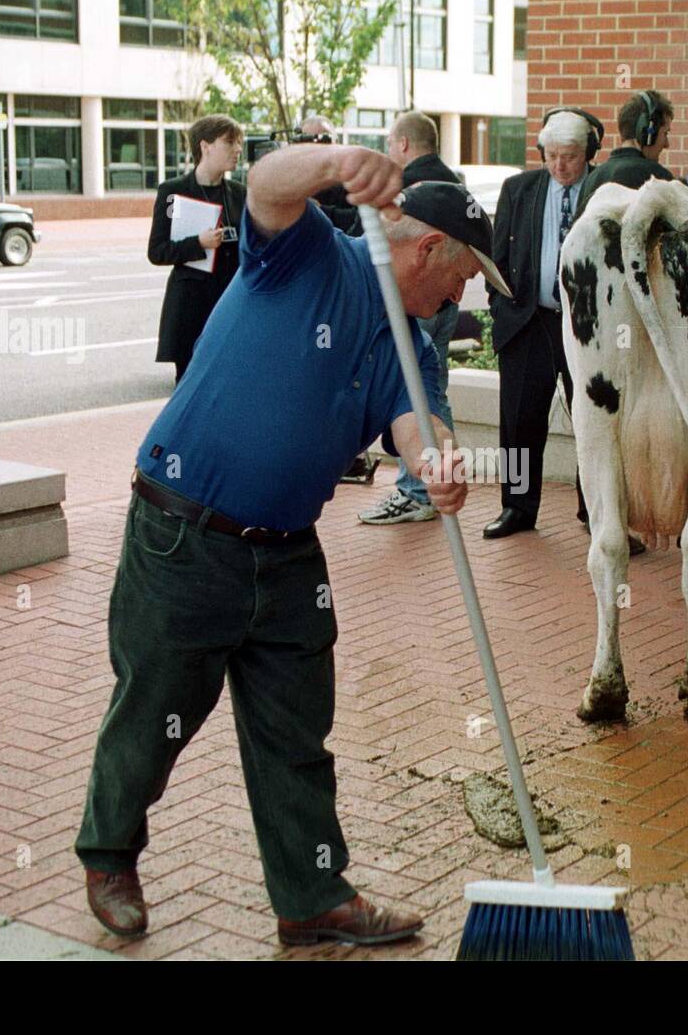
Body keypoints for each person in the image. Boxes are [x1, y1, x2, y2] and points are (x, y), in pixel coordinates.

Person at [74, 141, 513, 946]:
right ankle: (108, 856)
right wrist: (341, 161)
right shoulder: (313, 254)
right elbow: (270, 187)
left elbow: (416, 420)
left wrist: (437, 461)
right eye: (467, 272)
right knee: (155, 711)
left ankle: (312, 896)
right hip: (185, 533)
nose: (468, 289)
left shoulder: (408, 346)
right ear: (427, 250)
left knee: (296, 734)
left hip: (287, 556)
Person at [484, 109, 644, 554]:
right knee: (519, 420)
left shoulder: (607, 192)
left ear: (588, 154)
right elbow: (497, 258)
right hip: (529, 323)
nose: (560, 166)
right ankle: (517, 507)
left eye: (570, 157)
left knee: (595, 423)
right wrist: (503, 309)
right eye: (552, 156)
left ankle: (595, 513)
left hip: (589, 329)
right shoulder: (519, 189)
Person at [359, 111, 465, 525]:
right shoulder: (453, 182)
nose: (389, 152)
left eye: (390, 143)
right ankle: (432, 476)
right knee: (430, 387)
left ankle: (416, 489)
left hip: (417, 301)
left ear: (403, 144)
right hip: (441, 310)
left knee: (416, 384)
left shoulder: (407, 189)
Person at [148, 114, 246, 383]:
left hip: (229, 306)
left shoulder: (240, 194)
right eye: (230, 142)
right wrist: (198, 244)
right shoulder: (173, 191)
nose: (238, 149)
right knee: (190, 386)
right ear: (205, 147)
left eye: (239, 142)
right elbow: (157, 251)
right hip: (189, 309)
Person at [576, 90, 675, 217]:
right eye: (665, 133)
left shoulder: (591, 179)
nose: (666, 144)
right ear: (647, 133)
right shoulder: (657, 178)